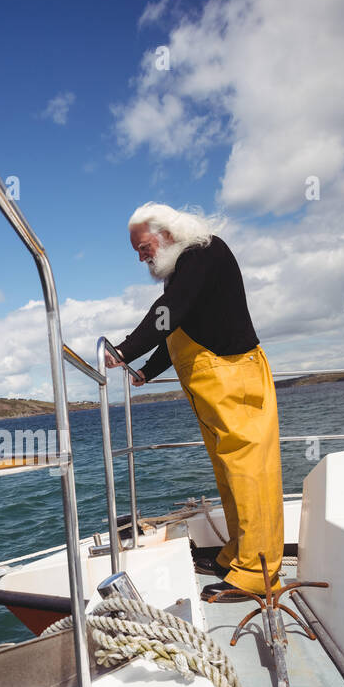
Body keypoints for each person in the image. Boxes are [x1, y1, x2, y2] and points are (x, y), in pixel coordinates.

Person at [107, 202, 284, 600]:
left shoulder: (203, 253)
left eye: (143, 245)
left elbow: (168, 312)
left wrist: (124, 350)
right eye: (137, 250)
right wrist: (146, 372)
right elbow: (177, 329)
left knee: (249, 472)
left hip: (235, 377)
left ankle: (259, 573)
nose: (141, 256)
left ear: (167, 232)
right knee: (229, 472)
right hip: (214, 389)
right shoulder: (182, 274)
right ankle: (237, 553)